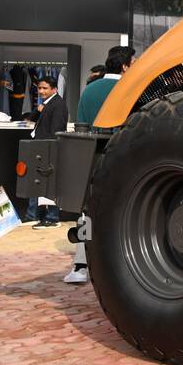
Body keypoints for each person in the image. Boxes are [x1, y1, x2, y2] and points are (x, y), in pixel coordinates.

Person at [64, 45, 134, 284]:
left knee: (87, 214)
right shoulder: (130, 88)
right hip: (122, 158)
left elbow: (81, 124)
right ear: (125, 66)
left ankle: (81, 265)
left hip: (90, 158)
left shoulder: (90, 89)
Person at [28, 75, 68, 228]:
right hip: (42, 149)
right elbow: (31, 118)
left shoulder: (58, 104)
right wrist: (39, 110)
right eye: (39, 88)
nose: (41, 91)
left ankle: (51, 217)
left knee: (49, 185)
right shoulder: (47, 103)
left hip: (48, 149)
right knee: (38, 184)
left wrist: (50, 151)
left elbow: (56, 131)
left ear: (54, 89)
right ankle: (34, 215)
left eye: (45, 88)